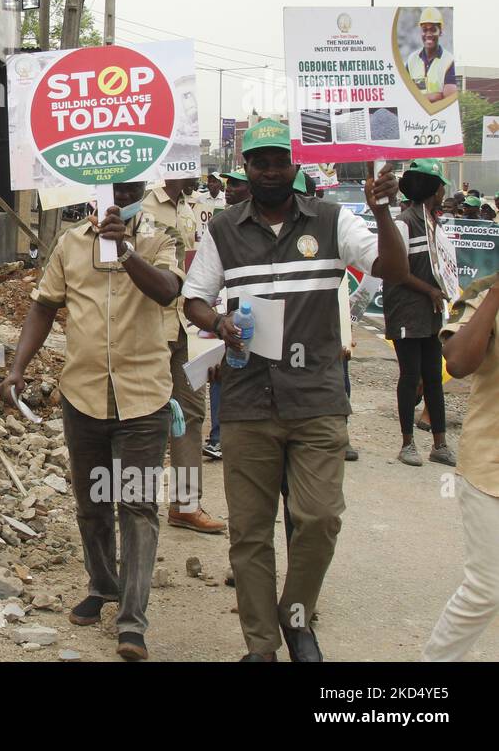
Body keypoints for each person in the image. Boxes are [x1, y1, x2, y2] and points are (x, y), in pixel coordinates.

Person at [182, 118, 408, 662]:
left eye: (279, 158)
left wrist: (380, 210)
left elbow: (393, 269)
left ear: (295, 164)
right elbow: (193, 298)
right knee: (251, 535)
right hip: (246, 401)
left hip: (316, 400)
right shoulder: (221, 229)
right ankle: (262, 647)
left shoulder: (333, 222)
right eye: (259, 160)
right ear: (248, 167)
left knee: (320, 518)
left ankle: (297, 615)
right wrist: (218, 324)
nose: (270, 169)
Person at [0, 182, 183, 661]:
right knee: (91, 503)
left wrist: (124, 250)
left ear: (144, 186)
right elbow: (43, 305)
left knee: (137, 506)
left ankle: (132, 620)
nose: (122, 191)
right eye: (113, 183)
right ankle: (103, 585)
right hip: (82, 395)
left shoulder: (161, 237)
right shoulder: (70, 242)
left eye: (131, 184)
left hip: (144, 399)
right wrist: (17, 368)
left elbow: (167, 292)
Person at [143, 177, 226, 533]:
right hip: (150, 330)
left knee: (191, 413)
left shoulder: (188, 208)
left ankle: (185, 504)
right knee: (143, 415)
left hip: (188, 331)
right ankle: (132, 502)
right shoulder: (143, 204)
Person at [422, 285, 499, 659]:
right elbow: (457, 362)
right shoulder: (485, 294)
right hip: (491, 468)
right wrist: (496, 295)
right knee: (486, 589)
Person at [383, 160, 455, 468]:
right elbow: (395, 270)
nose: (443, 192)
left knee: (433, 377)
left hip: (430, 311)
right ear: (431, 188)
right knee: (410, 376)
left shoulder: (432, 222)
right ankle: (407, 443)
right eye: (440, 186)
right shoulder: (405, 221)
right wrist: (428, 290)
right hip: (407, 309)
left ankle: (440, 443)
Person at [205, 169, 252, 461]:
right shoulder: (221, 224)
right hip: (224, 313)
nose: (229, 188)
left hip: (256, 320)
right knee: (219, 372)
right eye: (228, 184)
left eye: (236, 184)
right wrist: (216, 320)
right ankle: (219, 437)